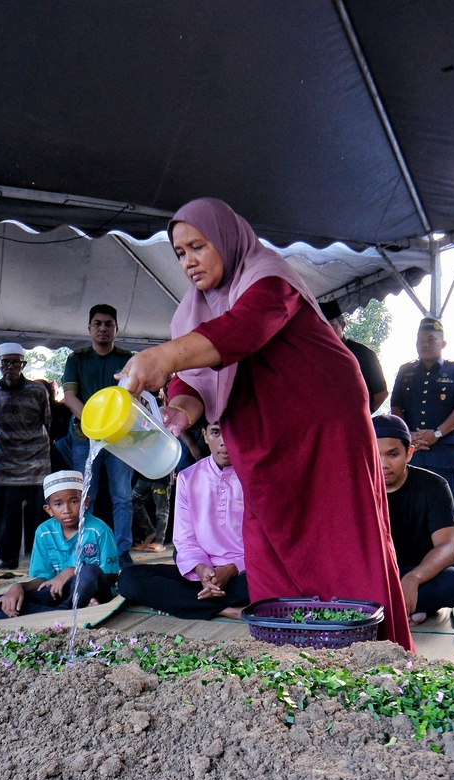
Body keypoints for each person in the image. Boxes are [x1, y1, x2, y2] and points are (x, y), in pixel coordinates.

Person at [116, 198, 410, 647]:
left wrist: (163, 356)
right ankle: (289, 648)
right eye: (179, 252)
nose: (188, 261)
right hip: (261, 443)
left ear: (228, 240)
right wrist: (181, 411)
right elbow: (191, 381)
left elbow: (241, 330)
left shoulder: (270, 279)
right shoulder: (194, 312)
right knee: (269, 541)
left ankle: (367, 651)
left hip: (321, 430)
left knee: (340, 537)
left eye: (198, 246)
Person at [118, 421, 250, 620]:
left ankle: (191, 604)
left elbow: (266, 544)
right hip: (202, 577)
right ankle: (225, 610)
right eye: (216, 433)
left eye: (231, 432)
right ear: (205, 435)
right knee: (129, 579)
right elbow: (185, 539)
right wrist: (202, 569)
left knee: (277, 581)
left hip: (245, 572)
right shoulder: (188, 477)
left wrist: (232, 568)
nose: (224, 441)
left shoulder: (254, 475)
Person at [0, 470, 118, 619]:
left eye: (74, 502)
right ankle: (67, 612)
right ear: (49, 510)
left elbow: (111, 577)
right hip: (58, 593)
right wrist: (19, 587)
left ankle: (61, 611)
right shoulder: (44, 532)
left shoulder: (99, 530)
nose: (67, 510)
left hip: (90, 589)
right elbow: (43, 578)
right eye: (58, 504)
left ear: (85, 503)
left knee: (90, 571)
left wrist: (73, 571)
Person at [62, 304, 137, 569]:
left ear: (116, 328)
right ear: (89, 328)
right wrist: (96, 423)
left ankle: (122, 552)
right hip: (86, 438)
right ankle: (84, 550)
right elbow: (69, 397)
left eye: (108, 324)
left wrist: (111, 426)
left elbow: (135, 397)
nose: (103, 328)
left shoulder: (128, 359)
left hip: (121, 439)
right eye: (97, 323)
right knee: (84, 497)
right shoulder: (77, 359)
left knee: (123, 497)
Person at [374, 414, 454, 624]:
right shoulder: (356, 488)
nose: (383, 464)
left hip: (420, 572)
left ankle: (385, 609)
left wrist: (415, 578)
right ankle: (409, 607)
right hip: (374, 576)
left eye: (393, 454)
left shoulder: (434, 486)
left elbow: (448, 547)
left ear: (409, 453)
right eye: (374, 454)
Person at [390, 318, 454, 506]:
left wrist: (437, 433)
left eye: (430, 340)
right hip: (413, 450)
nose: (425, 345)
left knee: (447, 507)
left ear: (443, 343)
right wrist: (408, 435)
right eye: (420, 340)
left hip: (444, 452)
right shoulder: (405, 371)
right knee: (411, 507)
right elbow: (396, 406)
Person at [0, 343, 52, 570]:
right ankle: (8, 562)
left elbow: (47, 422)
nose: (10, 367)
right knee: (6, 519)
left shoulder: (38, 390)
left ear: (23, 364)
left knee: (41, 518)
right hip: (3, 466)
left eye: (15, 362)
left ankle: (43, 563)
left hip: (37, 464)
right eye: (5, 362)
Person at [320, 300, 389, 412]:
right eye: (323, 328)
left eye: (332, 326)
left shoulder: (362, 353)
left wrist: (363, 414)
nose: (328, 332)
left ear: (343, 326)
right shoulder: (319, 356)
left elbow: (381, 394)